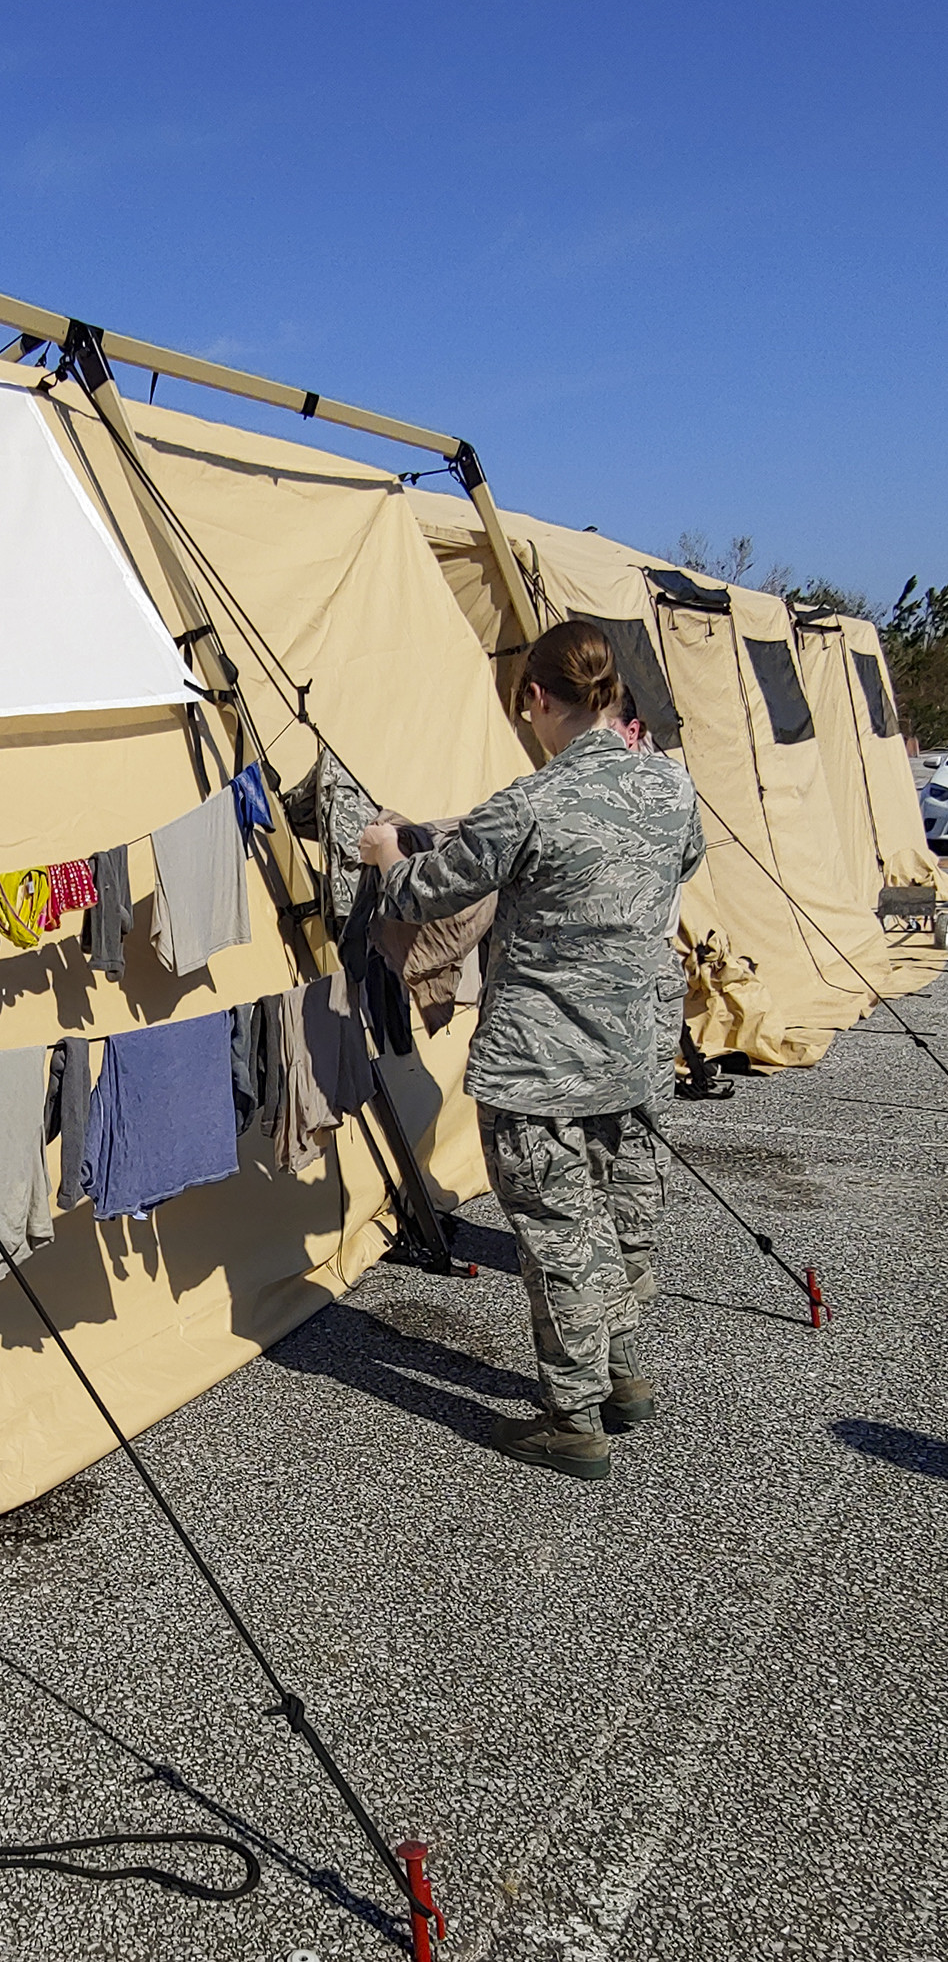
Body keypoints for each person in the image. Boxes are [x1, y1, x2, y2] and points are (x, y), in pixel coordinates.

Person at [358, 620, 704, 1481]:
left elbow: (429, 887)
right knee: (611, 1222)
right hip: (629, 1057)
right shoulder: (671, 791)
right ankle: (621, 1377)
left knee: (556, 1232)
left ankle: (572, 1417)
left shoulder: (531, 802)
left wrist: (380, 853)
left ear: (540, 698)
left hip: (538, 1065)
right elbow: (683, 862)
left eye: (527, 709)